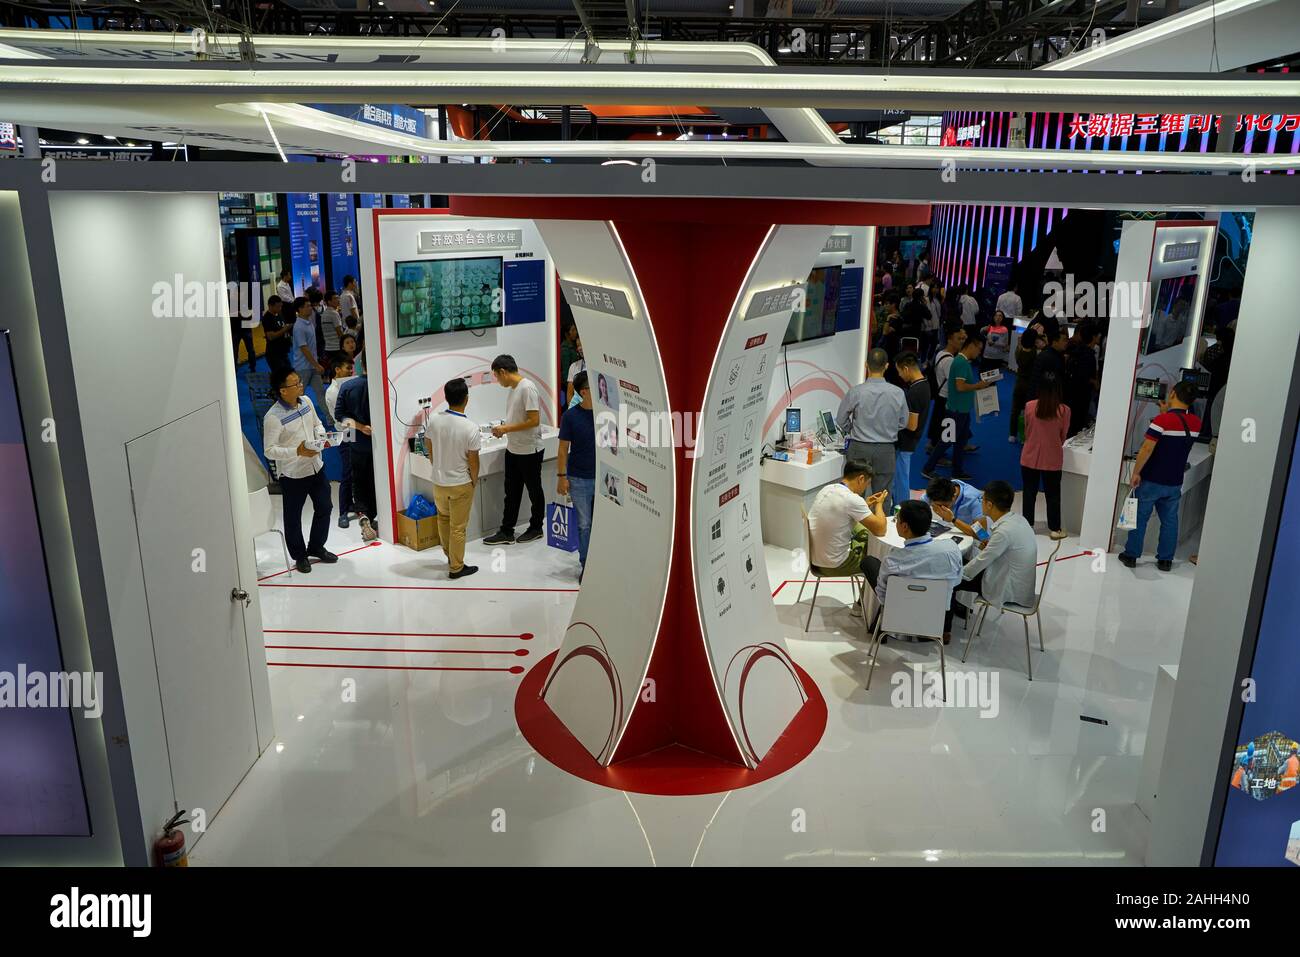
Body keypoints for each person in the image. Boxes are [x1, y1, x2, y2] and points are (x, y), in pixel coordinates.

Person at [1119, 380, 1202, 571]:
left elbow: (1147, 448)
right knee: (1170, 521)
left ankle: (1131, 555)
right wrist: (1166, 413)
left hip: (1151, 479)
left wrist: (1136, 472)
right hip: (1174, 481)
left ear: (1172, 393)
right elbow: (1176, 433)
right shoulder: (1195, 423)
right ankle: (1165, 560)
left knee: (1140, 519)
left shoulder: (1161, 421)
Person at [263, 367, 336, 574]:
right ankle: (300, 555)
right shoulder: (273, 417)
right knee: (293, 518)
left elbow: (318, 424)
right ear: (283, 390)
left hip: (316, 467)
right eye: (295, 384)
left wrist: (321, 436)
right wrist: (297, 451)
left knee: (325, 507)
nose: (300, 385)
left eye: (299, 381)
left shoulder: (307, 402)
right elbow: (269, 451)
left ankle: (316, 546)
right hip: (293, 474)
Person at [863, 499, 963, 644]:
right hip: (936, 617)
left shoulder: (893, 559)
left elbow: (882, 595)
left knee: (869, 562)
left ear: (904, 526)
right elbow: (957, 581)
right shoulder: (951, 549)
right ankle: (946, 630)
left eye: (897, 520)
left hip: (897, 615)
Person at [950, 480, 1037, 629]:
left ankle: (944, 629)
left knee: (949, 577)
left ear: (989, 504)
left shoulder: (1003, 532)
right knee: (960, 564)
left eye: (983, 500)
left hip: (1007, 588)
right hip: (1019, 582)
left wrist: (955, 574)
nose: (981, 503)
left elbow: (978, 564)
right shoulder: (1018, 520)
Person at [836, 348, 911, 508]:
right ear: (887, 366)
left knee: (854, 494)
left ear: (866, 365)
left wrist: (852, 429)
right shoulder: (898, 393)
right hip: (886, 449)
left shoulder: (856, 392)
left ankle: (853, 530)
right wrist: (888, 429)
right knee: (882, 496)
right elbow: (904, 422)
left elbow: (841, 419)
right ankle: (880, 530)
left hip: (859, 448)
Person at [484, 355, 546, 545]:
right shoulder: (514, 389)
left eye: (496, 376)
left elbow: (534, 420)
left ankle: (536, 527)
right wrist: (505, 429)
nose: (497, 380)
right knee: (511, 491)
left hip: (529, 449)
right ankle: (507, 530)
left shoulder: (527, 388)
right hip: (514, 448)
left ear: (503, 372)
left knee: (534, 490)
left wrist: (506, 429)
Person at [426, 376, 481, 579]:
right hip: (460, 483)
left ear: (446, 398)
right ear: (466, 399)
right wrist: (473, 480)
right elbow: (473, 461)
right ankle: (456, 567)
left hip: (439, 481)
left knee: (443, 520)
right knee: (458, 528)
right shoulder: (470, 428)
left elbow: (428, 445)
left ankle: (450, 557)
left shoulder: (434, 419)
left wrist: (437, 465)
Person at [922, 332, 992, 480]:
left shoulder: (961, 362)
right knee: (946, 441)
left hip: (962, 410)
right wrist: (977, 386)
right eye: (978, 348)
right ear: (971, 346)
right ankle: (928, 468)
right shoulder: (961, 363)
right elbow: (960, 386)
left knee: (959, 442)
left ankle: (957, 470)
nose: (979, 352)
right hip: (956, 411)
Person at [807, 461, 889, 584]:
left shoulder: (828, 489)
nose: (866, 488)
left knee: (862, 530)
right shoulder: (852, 499)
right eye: (867, 484)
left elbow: (842, 513)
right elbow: (880, 530)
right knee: (877, 556)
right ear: (861, 479)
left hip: (815, 559)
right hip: (836, 565)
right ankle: (867, 602)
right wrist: (879, 505)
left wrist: (864, 504)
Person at [557, 371, 597, 576]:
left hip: (604, 479)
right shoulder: (570, 417)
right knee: (585, 524)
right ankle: (586, 564)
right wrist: (561, 477)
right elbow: (563, 449)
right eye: (594, 387)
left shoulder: (606, 415)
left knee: (600, 523)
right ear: (584, 391)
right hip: (579, 478)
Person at [1021, 380, 1071, 540]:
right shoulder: (1064, 410)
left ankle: (1027, 525)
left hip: (1030, 455)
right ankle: (1055, 528)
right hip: (1053, 457)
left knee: (1029, 492)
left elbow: (1026, 430)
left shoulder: (1029, 406)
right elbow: (1063, 435)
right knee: (1053, 494)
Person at [334, 366, 378, 542]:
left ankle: (362, 513)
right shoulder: (381, 385)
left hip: (355, 439)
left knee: (357, 479)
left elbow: (340, 416)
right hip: (379, 444)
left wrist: (359, 428)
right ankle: (372, 515)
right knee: (376, 480)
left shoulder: (347, 386)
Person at [892, 352, 930, 509]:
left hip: (905, 442)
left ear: (906, 369)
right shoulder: (925, 384)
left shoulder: (914, 392)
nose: (900, 375)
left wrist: (893, 419)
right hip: (910, 442)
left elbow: (912, 424)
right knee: (899, 479)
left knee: (900, 481)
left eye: (900, 371)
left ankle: (901, 511)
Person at [325, 356, 357, 528]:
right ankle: (343, 512)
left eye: (351, 369)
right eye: (347, 368)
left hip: (356, 431)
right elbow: (341, 418)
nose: (350, 372)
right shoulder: (332, 392)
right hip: (346, 434)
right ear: (337, 369)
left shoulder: (350, 385)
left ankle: (355, 504)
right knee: (347, 473)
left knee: (358, 471)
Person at [926, 320, 966, 451]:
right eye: (958, 339)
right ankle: (936, 451)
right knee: (944, 426)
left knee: (940, 423)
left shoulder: (941, 353)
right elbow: (955, 384)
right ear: (950, 340)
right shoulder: (949, 360)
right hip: (946, 398)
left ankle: (960, 442)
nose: (961, 341)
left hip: (940, 395)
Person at [290, 296, 329, 420]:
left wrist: (315, 364)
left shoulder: (309, 323)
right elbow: (304, 348)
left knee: (321, 392)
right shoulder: (299, 327)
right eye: (307, 306)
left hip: (312, 366)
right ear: (299, 309)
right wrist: (316, 365)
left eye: (309, 305)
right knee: (298, 394)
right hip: (303, 368)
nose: (310, 308)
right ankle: (295, 419)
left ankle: (330, 418)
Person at [1064, 319, 1100, 437]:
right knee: (1077, 423)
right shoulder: (1088, 355)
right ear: (1093, 337)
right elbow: (1083, 376)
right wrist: (1094, 382)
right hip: (1081, 396)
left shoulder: (1077, 351)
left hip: (1071, 393)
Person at [1009, 322, 1042, 442]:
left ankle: (1012, 434)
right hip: (1031, 385)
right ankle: (1025, 436)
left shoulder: (1019, 351)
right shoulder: (1036, 353)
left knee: (1015, 410)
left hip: (1019, 383)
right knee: (1029, 411)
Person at [260, 295, 292, 373]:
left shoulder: (279, 314)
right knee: (281, 377)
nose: (280, 309)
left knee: (289, 374)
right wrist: (284, 329)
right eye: (278, 307)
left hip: (283, 351)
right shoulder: (267, 318)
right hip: (274, 353)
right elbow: (271, 337)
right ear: (270, 306)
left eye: (280, 306)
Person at [321, 289, 346, 359]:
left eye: (338, 298)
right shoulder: (334, 313)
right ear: (329, 301)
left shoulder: (324, 313)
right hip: (336, 347)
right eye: (335, 298)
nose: (338, 300)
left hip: (328, 347)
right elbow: (339, 331)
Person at [565, 333, 586, 409]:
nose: (580, 348)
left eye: (582, 345)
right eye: (578, 346)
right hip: (577, 409)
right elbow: (570, 393)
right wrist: (572, 411)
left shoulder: (598, 366)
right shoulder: (574, 366)